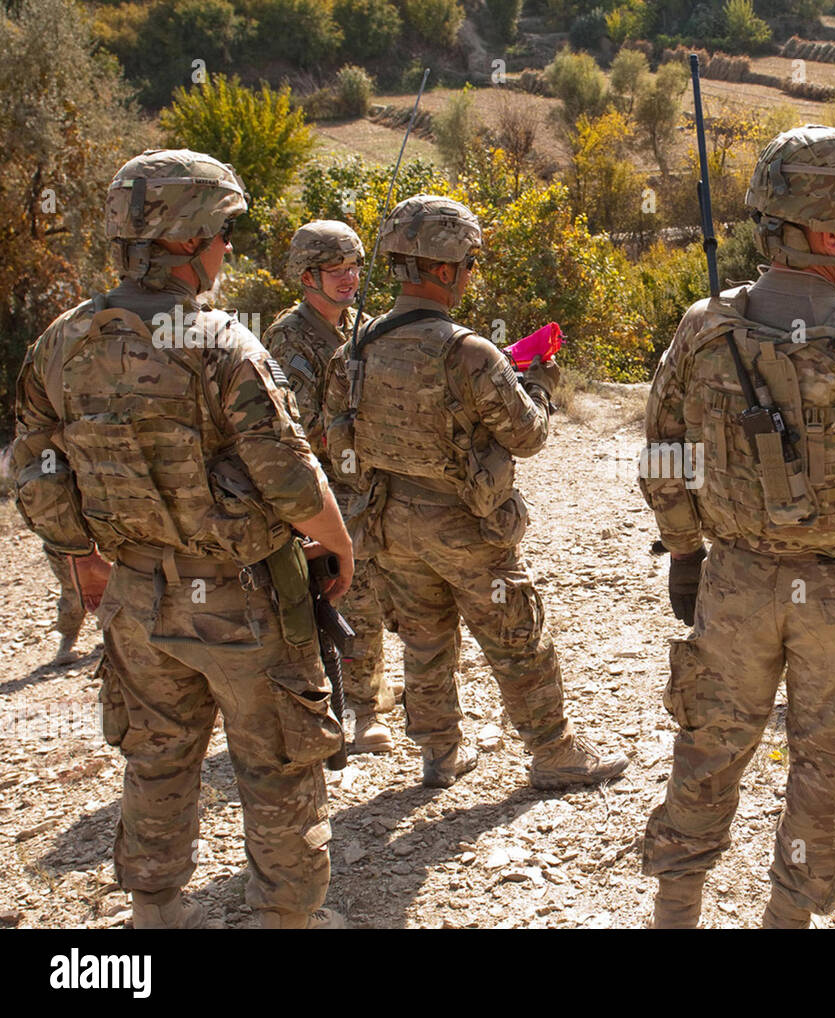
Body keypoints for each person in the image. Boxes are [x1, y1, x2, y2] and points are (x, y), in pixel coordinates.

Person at [11, 148, 354, 929]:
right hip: (243, 599)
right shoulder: (222, 344)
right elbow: (292, 478)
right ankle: (285, 917)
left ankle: (155, 914)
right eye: (224, 232)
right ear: (191, 236)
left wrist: (84, 556)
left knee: (157, 760)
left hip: (136, 595)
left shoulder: (61, 342)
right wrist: (341, 547)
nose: (228, 250)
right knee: (277, 763)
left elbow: (33, 471)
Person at [640, 125, 835, 928]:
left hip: (736, 582)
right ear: (829, 231)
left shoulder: (703, 326)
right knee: (826, 765)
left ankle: (675, 909)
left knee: (709, 745)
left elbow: (663, 458)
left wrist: (685, 552)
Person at [321, 194, 628, 790]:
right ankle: (554, 752)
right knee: (516, 633)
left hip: (388, 525)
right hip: (465, 523)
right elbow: (527, 436)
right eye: (467, 264)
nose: (469, 276)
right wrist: (536, 384)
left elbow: (340, 442)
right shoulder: (467, 351)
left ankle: (440, 754)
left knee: (424, 637)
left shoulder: (355, 348)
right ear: (442, 269)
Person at [264, 220, 397, 754]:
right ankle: (362, 713)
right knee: (354, 595)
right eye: (334, 270)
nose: (348, 279)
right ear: (306, 276)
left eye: (354, 268)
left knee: (382, 589)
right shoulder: (288, 337)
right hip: (325, 490)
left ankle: (375, 689)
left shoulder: (356, 330)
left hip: (365, 480)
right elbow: (299, 427)